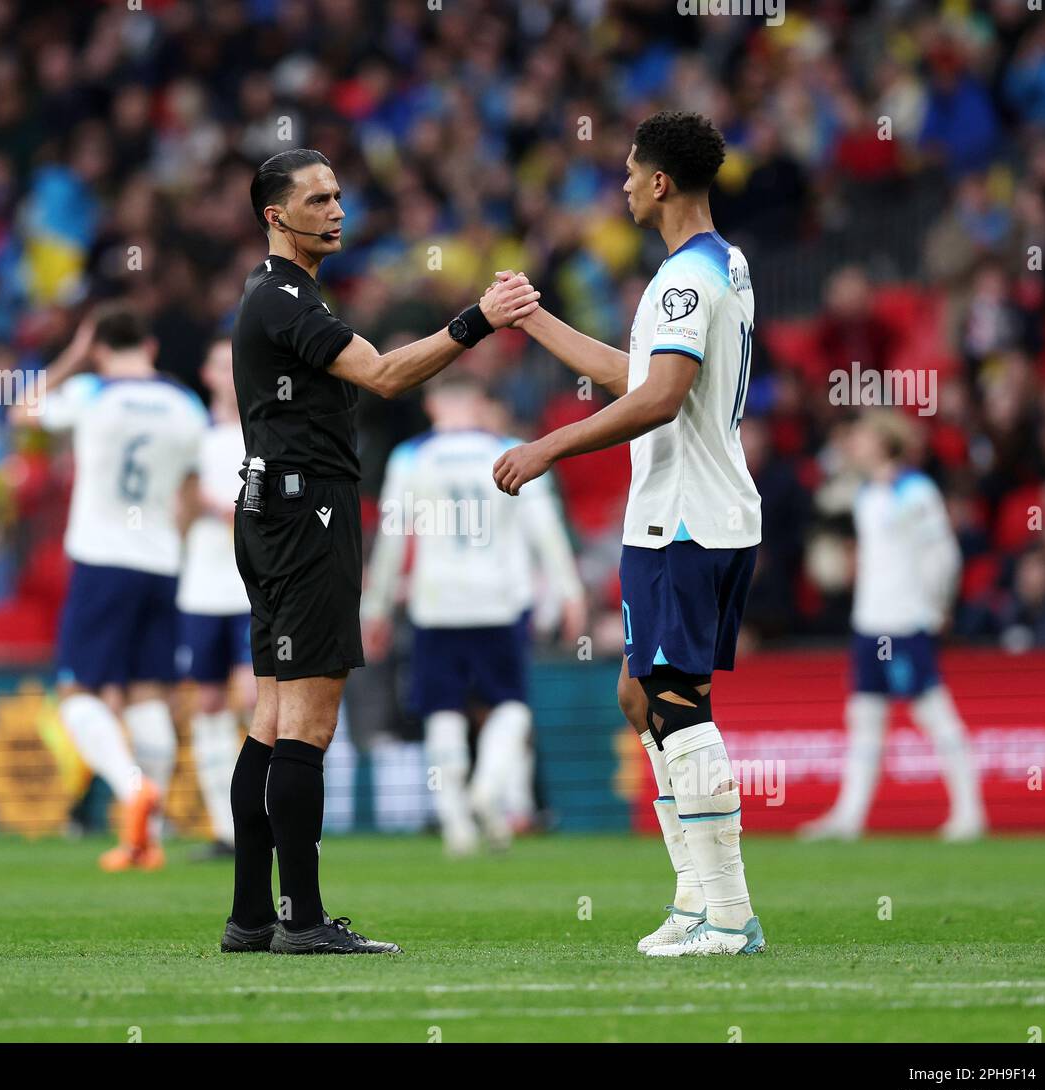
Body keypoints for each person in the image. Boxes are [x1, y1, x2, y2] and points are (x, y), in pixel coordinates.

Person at [222, 147, 540, 955]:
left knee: (268, 719)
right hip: (305, 517)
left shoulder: (276, 295)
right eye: (318, 199)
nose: (335, 210)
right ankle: (302, 919)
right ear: (275, 216)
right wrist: (477, 320)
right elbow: (388, 375)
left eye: (338, 196)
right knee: (307, 723)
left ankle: (253, 915)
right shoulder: (286, 296)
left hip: (271, 511)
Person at [492, 111, 766, 957]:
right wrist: (533, 318)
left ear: (658, 183)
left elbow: (657, 398)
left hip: (682, 519)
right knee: (639, 696)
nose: (618, 185)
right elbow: (636, 372)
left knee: (677, 704)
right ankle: (694, 902)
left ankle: (727, 913)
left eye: (627, 171)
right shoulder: (722, 265)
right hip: (701, 513)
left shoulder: (683, 282)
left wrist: (546, 447)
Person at [12, 303, 208, 871]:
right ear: (149, 347)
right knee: (151, 693)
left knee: (79, 695)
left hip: (102, 560)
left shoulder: (91, 393)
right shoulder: (185, 405)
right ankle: (148, 836)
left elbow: (23, 414)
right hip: (162, 563)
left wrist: (72, 357)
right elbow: (191, 492)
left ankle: (131, 793)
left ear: (98, 349)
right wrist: (171, 542)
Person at [361, 378, 585, 855]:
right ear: (479, 402)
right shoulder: (511, 450)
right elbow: (545, 530)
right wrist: (569, 592)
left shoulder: (410, 457)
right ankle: (489, 787)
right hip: (498, 600)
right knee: (509, 703)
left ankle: (455, 821)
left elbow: (392, 540)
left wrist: (375, 606)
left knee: (442, 709)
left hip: (436, 601)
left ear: (431, 404)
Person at [800, 411, 986, 841]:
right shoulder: (867, 494)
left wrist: (936, 606)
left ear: (884, 443)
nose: (854, 445)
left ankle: (970, 813)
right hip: (871, 623)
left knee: (933, 713)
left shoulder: (915, 492)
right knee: (865, 717)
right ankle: (849, 817)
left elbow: (941, 554)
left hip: (906, 621)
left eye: (862, 438)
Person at [176, 337, 257, 860]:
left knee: (254, 701)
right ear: (207, 374)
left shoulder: (264, 432)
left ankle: (260, 817)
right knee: (207, 704)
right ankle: (224, 829)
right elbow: (175, 518)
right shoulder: (192, 439)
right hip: (202, 587)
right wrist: (195, 503)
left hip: (252, 587)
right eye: (219, 364)